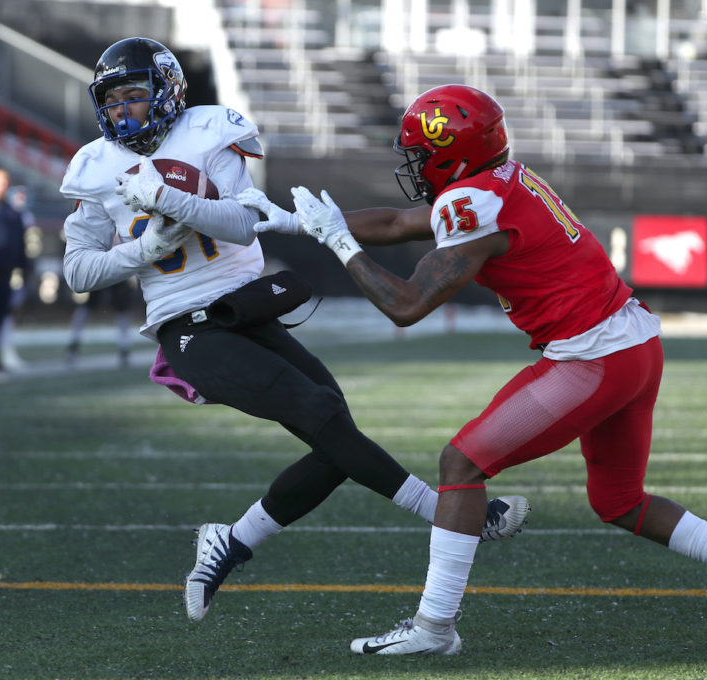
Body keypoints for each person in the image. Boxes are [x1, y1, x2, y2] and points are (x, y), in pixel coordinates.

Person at [244, 84, 707, 655]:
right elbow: (396, 223)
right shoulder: (503, 179)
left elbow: (407, 305)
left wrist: (339, 243)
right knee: (619, 500)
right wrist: (298, 222)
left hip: (592, 356)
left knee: (461, 462)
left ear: (453, 154)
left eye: (420, 155)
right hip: (635, 344)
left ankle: (434, 628)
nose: (414, 166)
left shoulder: (471, 203)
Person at [60, 41, 529, 625]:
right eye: (113, 99)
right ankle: (448, 513)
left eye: (135, 95)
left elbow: (242, 220)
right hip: (186, 329)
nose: (124, 110)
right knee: (321, 415)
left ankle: (229, 541)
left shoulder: (208, 132)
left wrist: (167, 198)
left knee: (336, 437)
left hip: (245, 308)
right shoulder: (94, 164)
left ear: (168, 92)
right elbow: (77, 271)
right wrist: (145, 248)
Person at [66, 276, 136, 369]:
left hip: (109, 269)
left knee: (121, 307)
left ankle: (124, 347)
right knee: (118, 307)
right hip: (108, 269)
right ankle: (124, 348)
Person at [0, 167, 27, 375]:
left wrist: (24, 273)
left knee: (1, 317)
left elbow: (20, 247)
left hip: (4, 274)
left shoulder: (13, 213)